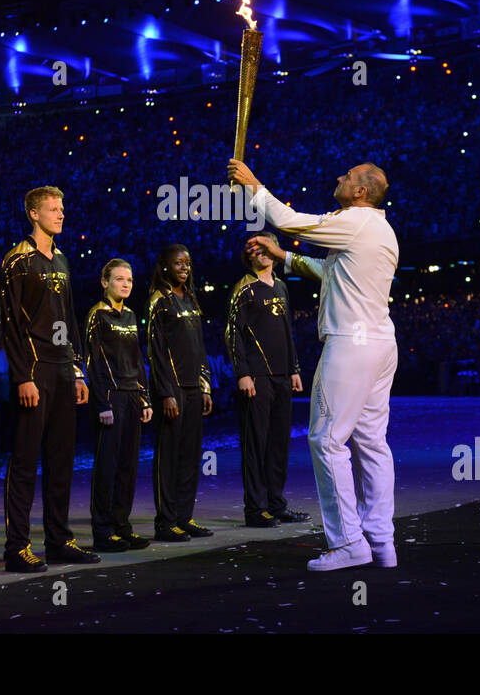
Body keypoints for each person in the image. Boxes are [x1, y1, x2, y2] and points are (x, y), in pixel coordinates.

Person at [229, 159, 399, 572]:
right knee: (372, 443)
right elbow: (331, 272)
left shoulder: (354, 220)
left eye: (347, 177)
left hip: (350, 344)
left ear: (361, 192)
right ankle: (381, 541)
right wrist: (284, 257)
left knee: (326, 440)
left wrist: (253, 183)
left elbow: (287, 219)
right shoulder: (380, 229)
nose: (338, 177)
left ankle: (347, 544)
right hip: (380, 343)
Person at [0, 186, 97, 570]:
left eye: (62, 208)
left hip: (60, 369)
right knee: (25, 460)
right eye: (53, 209)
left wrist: (76, 371)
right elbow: (9, 324)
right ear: (33, 215)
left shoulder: (62, 261)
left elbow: (69, 320)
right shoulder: (17, 261)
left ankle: (59, 539)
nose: (61, 214)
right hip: (34, 369)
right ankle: (17, 547)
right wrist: (22, 376)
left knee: (61, 459)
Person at [226, 232, 309, 528]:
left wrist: (294, 368)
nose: (261, 253)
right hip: (257, 376)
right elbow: (232, 332)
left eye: (266, 247)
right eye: (256, 249)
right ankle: (255, 509)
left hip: (282, 375)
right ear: (249, 254)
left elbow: (287, 331)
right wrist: (243, 373)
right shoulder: (244, 289)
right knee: (256, 442)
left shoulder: (283, 287)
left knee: (278, 443)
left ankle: (276, 504)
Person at [85, 258, 153, 552]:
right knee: (107, 468)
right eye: (119, 279)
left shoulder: (131, 316)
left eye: (129, 280)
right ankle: (102, 532)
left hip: (132, 398)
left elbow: (137, 361)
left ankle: (121, 526)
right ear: (105, 283)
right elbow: (94, 362)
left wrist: (144, 397)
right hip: (110, 399)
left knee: (128, 466)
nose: (125, 284)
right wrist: (101, 403)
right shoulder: (97, 316)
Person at [147, 244, 214, 542]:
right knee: (169, 457)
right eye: (178, 263)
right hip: (172, 391)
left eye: (187, 263)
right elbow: (156, 351)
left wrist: (205, 385)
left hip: (192, 389)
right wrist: (165, 393)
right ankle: (166, 521)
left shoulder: (191, 300)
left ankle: (184, 518)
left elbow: (200, 349)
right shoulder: (159, 301)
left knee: (190, 455)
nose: (184, 267)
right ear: (164, 267)